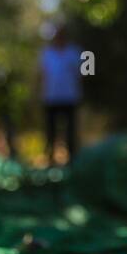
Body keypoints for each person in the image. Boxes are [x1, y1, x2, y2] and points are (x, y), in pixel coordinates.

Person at [39, 24, 83, 165]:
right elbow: (42, 74)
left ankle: (73, 161)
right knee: (50, 132)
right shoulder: (47, 53)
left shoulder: (75, 52)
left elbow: (85, 73)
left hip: (70, 98)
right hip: (51, 98)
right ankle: (50, 160)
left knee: (71, 132)